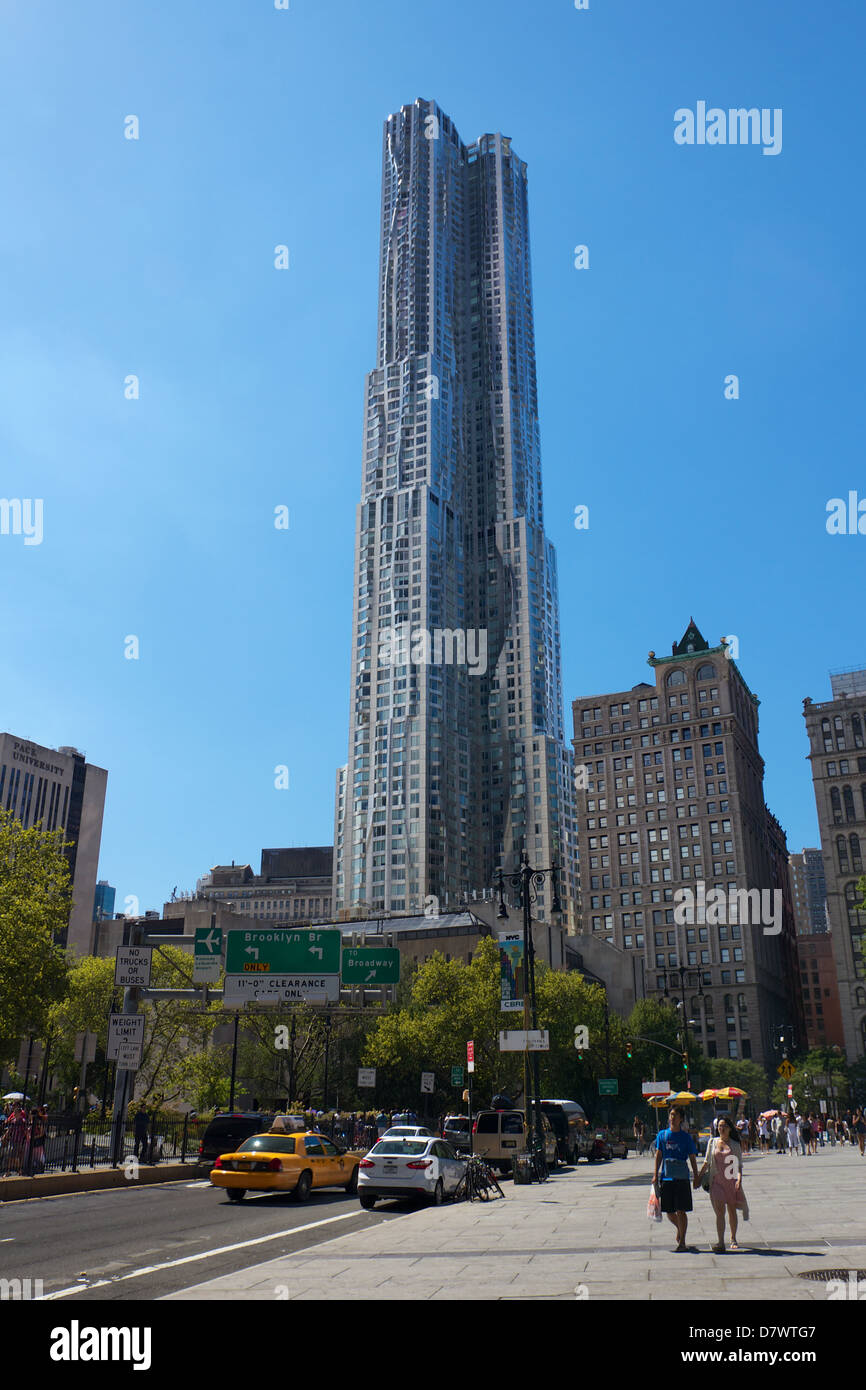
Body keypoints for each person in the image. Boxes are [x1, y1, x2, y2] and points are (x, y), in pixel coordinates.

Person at [697, 1115, 748, 1252]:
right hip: (716, 1182)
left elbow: (738, 1166)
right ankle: (720, 1242)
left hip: (731, 1181)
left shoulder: (735, 1145)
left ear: (730, 1129)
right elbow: (706, 1162)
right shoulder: (712, 1142)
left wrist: (739, 1180)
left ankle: (733, 1237)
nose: (721, 1128)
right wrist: (698, 1178)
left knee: (732, 1211)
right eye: (719, 1125)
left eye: (724, 1125)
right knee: (720, 1212)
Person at [652, 1106, 700, 1252]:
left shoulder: (685, 1137)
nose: (672, 1118)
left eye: (675, 1115)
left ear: (681, 1119)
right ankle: (680, 1228)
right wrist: (655, 1174)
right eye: (671, 1115)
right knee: (669, 1211)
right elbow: (659, 1155)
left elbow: (692, 1157)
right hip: (666, 1177)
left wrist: (696, 1176)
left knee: (681, 1210)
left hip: (682, 1178)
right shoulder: (662, 1135)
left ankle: (683, 1242)